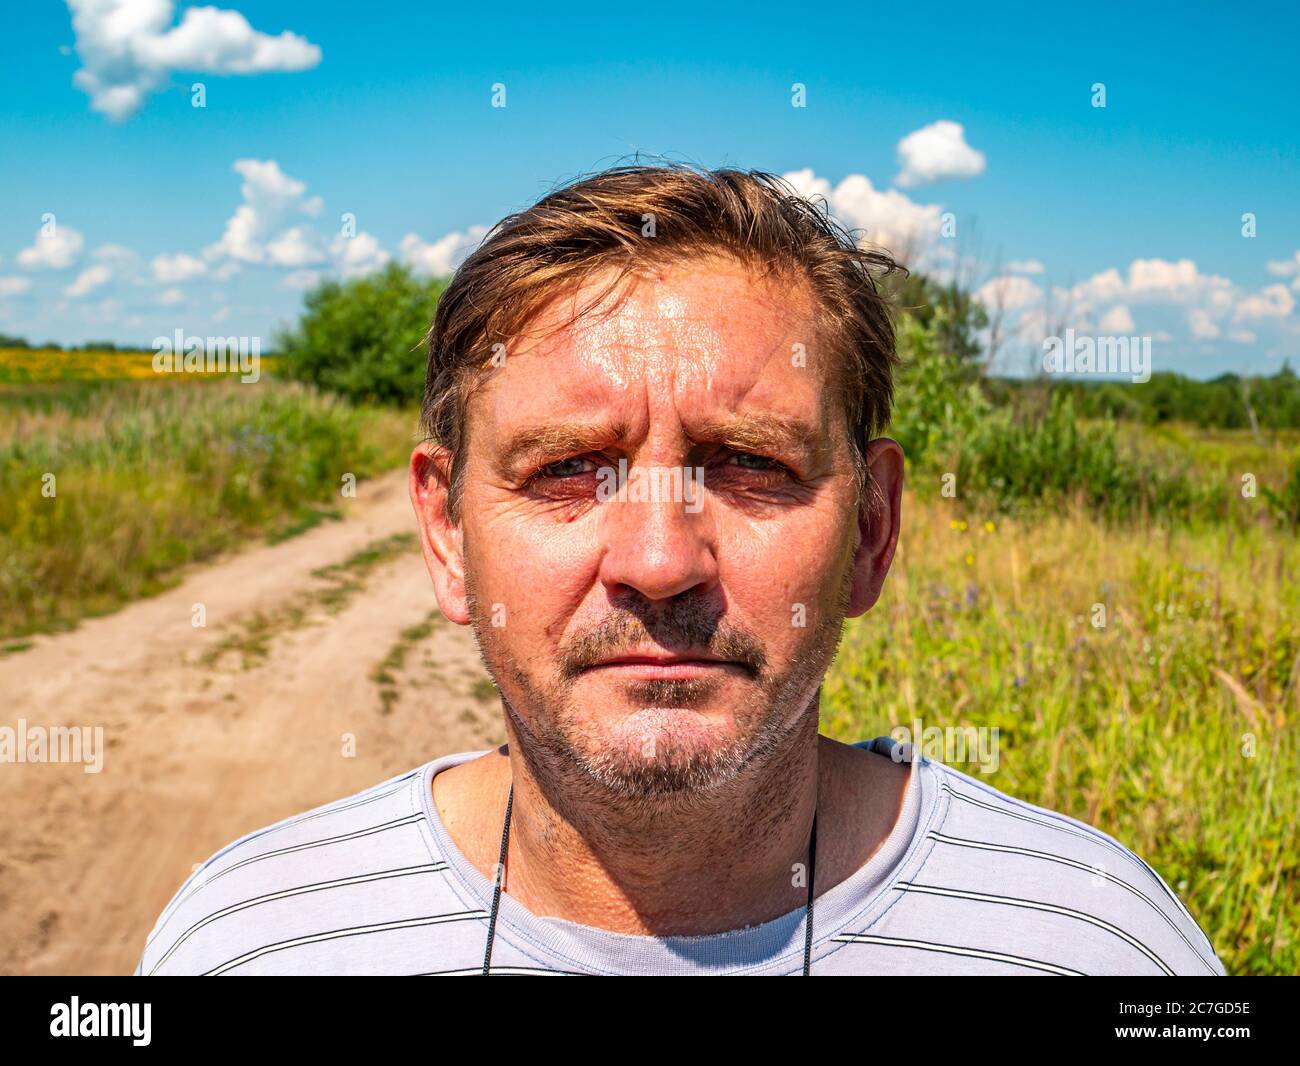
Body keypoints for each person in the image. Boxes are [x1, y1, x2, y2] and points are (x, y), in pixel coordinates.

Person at [135, 164, 1225, 975]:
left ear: (874, 529)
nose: (659, 563)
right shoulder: (252, 941)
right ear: (447, 533)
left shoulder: (1092, 938)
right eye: (566, 470)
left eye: (750, 465)